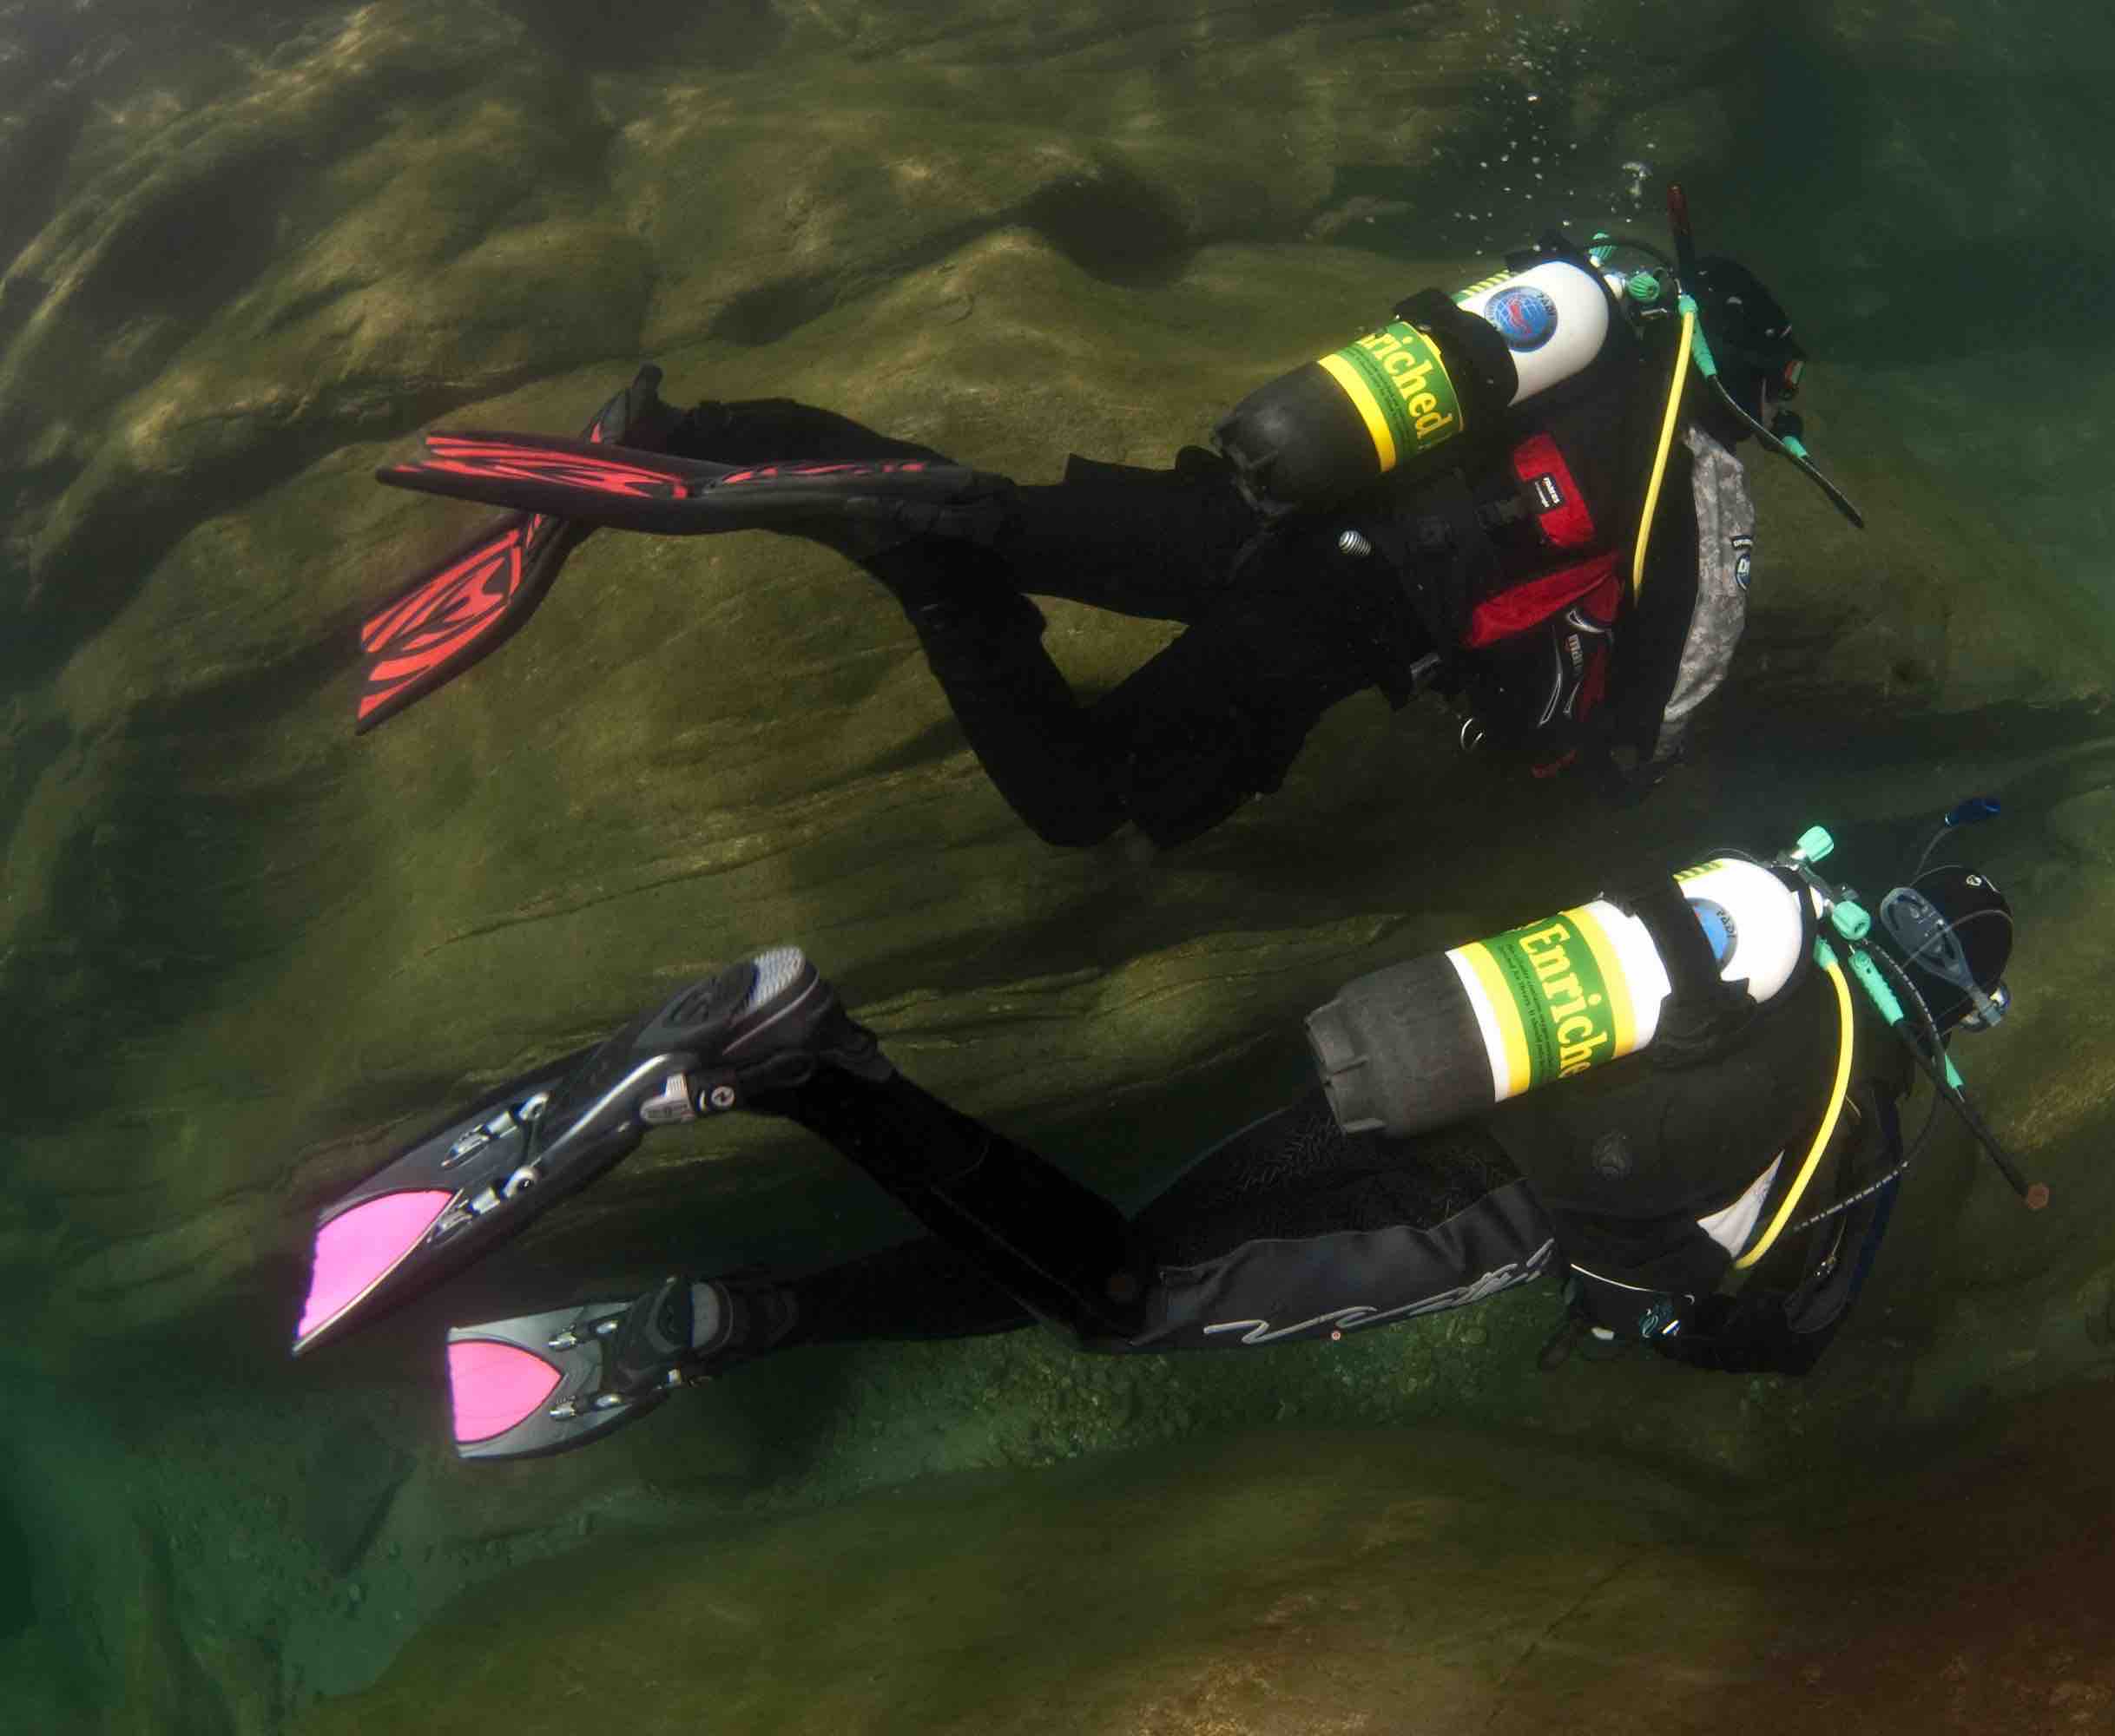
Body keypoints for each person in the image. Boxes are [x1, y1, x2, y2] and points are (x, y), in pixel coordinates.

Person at [290, 825, 2022, 1461]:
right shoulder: (1859, 1121)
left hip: (1411, 1092)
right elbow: (1748, 1326)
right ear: (1961, 1015)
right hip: (1463, 1220)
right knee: (1121, 1302)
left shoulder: (1771, 921)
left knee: (1099, 1248)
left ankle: (746, 1319)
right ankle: (812, 1066)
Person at [354, 233, 1852, 851]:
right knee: (1087, 804)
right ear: (1751, 386)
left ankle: (688, 427)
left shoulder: (1579, 333)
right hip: (1337, 624)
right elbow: (1657, 707)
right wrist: (1591, 750)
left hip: (1248, 501)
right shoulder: (1707, 485)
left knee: (1002, 509)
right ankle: (907, 555)